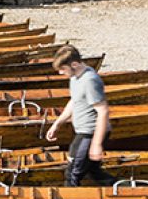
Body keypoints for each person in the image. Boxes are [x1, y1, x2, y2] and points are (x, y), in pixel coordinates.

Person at [45, 45, 117, 187]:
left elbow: (103, 111)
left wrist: (96, 145)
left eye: (63, 69)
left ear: (75, 64)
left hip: (89, 134)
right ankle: (125, 188)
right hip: (83, 133)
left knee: (72, 174)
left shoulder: (89, 80)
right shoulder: (75, 77)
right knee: (93, 172)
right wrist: (57, 124)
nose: (61, 73)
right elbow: (74, 101)